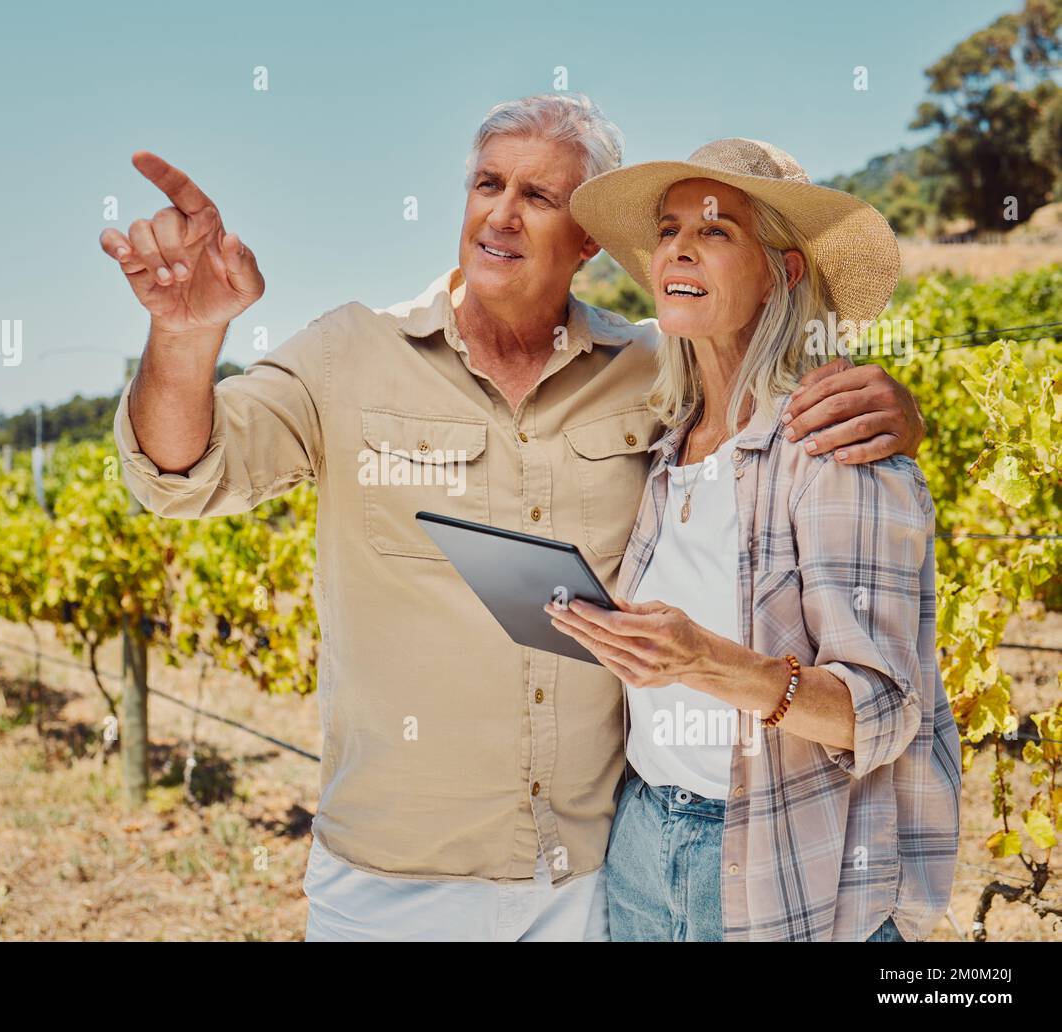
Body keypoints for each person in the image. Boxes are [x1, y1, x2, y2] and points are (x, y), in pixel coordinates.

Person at [99, 96, 927, 941]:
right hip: (391, 884)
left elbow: (762, 398)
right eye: (488, 184)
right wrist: (185, 337)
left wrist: (896, 407)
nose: (501, 212)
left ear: (589, 242)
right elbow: (180, 475)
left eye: (538, 197)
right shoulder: (349, 352)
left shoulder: (651, 370)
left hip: (593, 878)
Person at [548, 138, 960, 941]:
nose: (679, 247)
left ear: (785, 272)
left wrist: (706, 663)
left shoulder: (833, 449)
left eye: (716, 230)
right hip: (639, 844)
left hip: (780, 862)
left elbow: (879, 713)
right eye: (668, 230)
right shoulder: (666, 445)